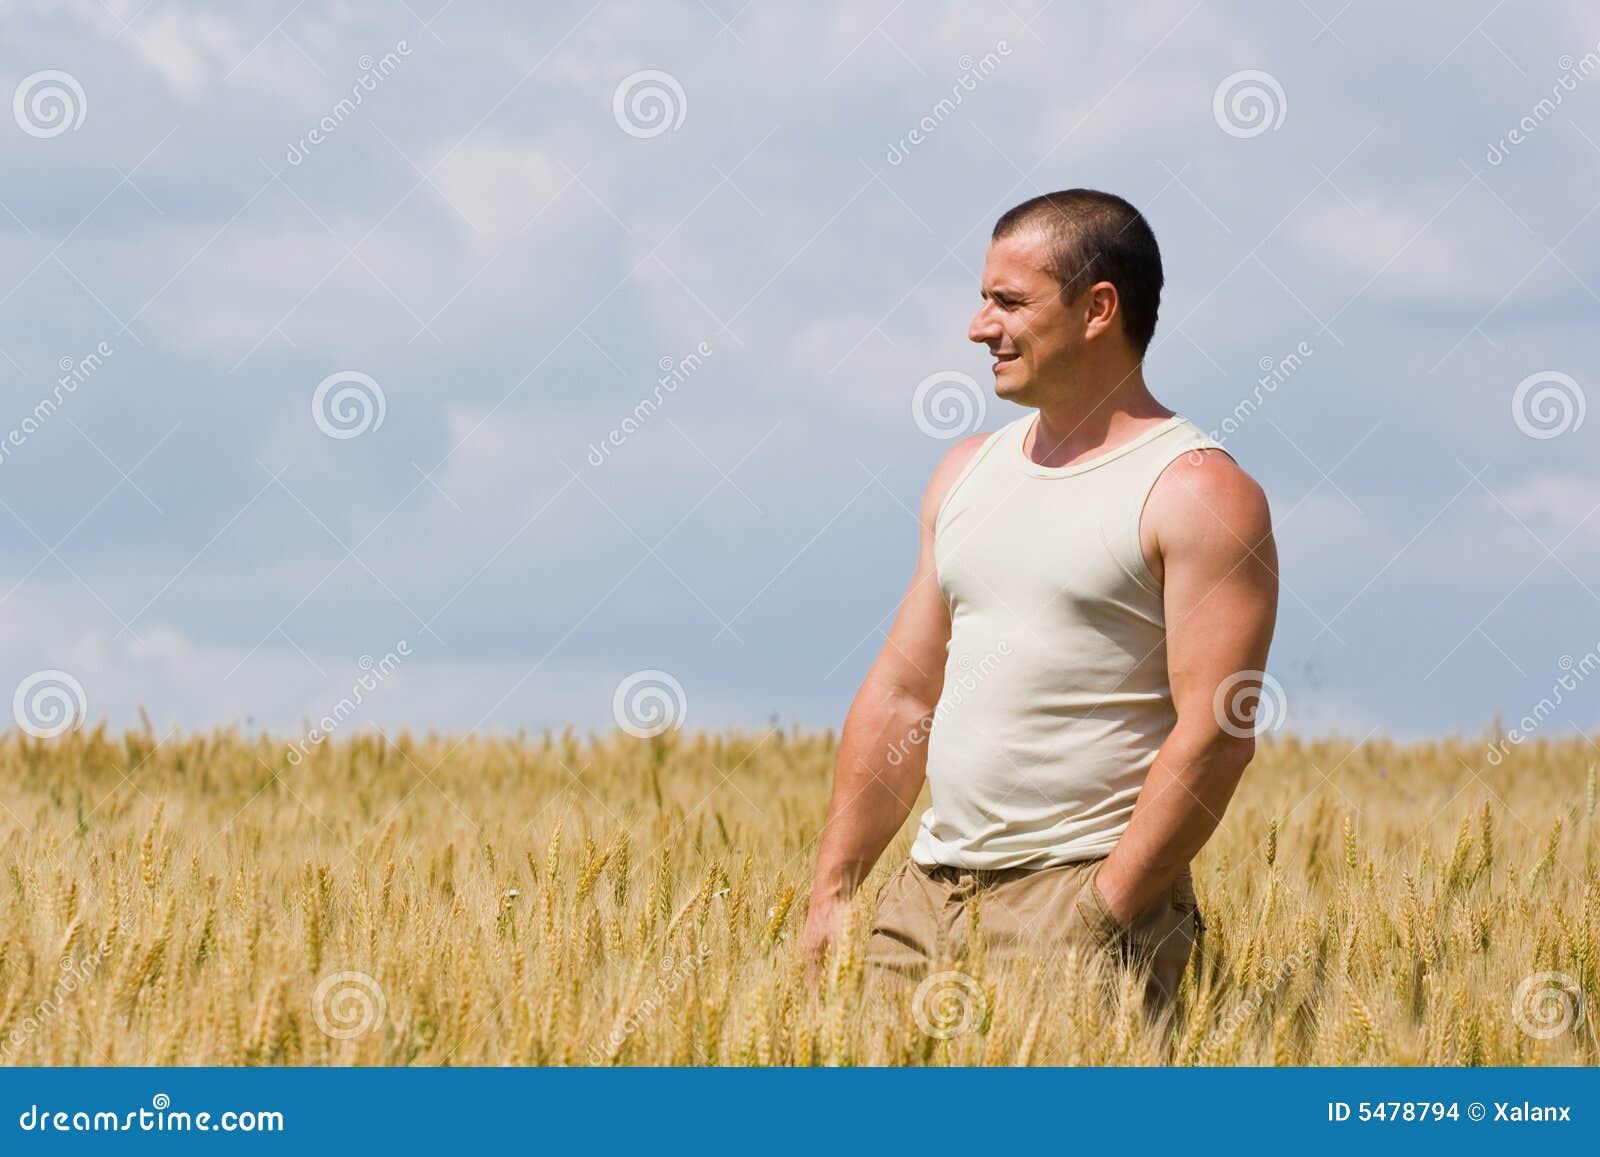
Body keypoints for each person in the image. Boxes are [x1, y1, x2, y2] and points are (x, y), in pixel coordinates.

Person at [802, 189, 1279, 1015]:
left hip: (1077, 897)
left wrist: (1105, 908)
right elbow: (903, 692)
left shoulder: (1198, 490)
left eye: (1008, 301)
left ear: (1098, 308)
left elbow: (1217, 733)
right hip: (924, 900)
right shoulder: (965, 471)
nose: (979, 326)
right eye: (984, 298)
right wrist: (835, 889)